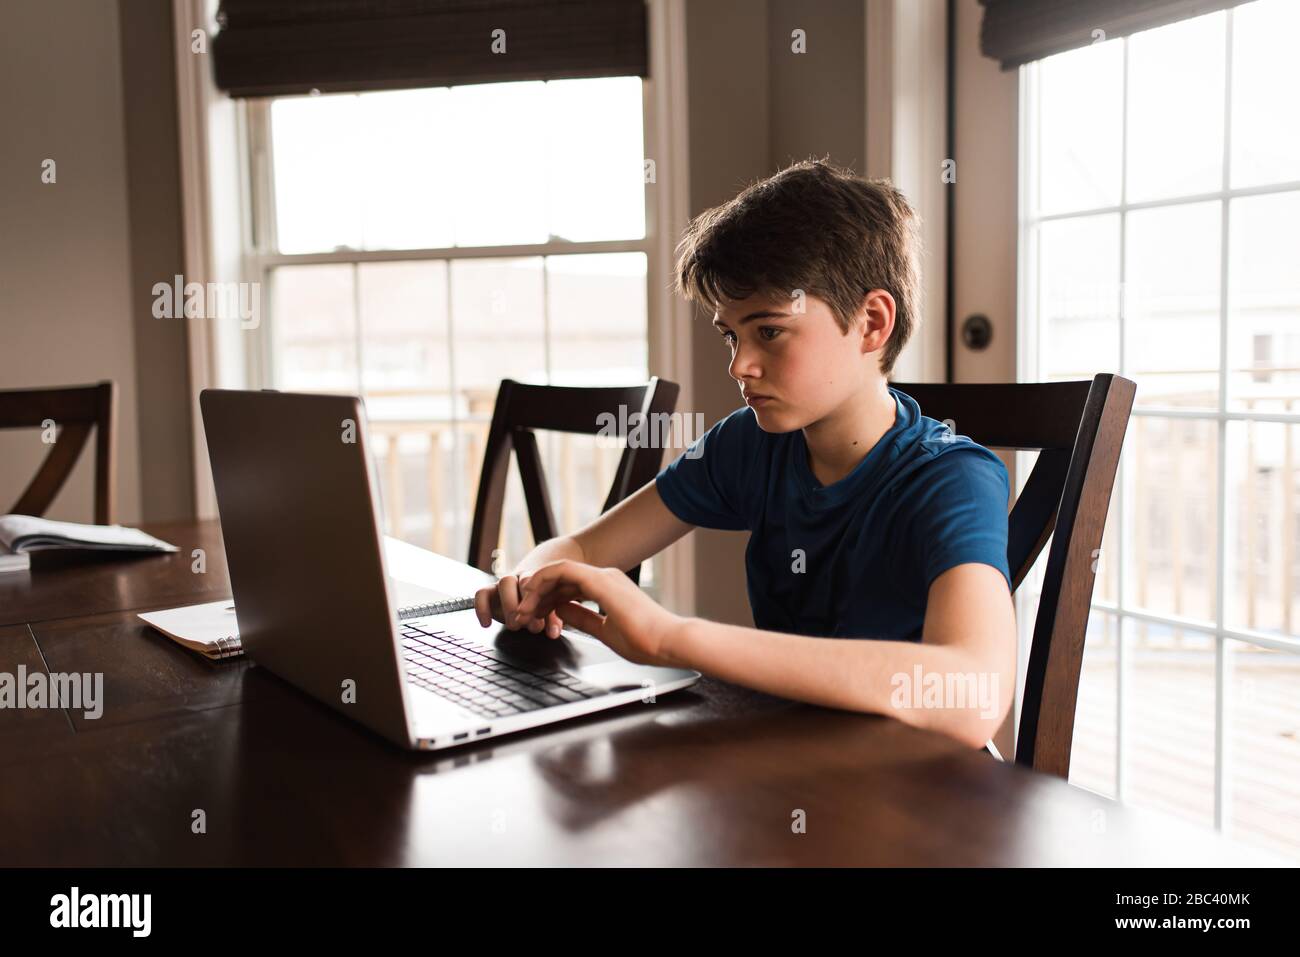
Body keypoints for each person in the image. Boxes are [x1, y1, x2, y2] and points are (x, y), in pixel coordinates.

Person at [474, 159, 1015, 749]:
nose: (739, 365)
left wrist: (674, 639)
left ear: (871, 324)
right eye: (731, 335)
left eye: (770, 332)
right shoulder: (750, 444)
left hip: (922, 795)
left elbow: (973, 693)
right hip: (796, 762)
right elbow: (583, 547)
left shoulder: (951, 477)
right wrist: (530, 581)